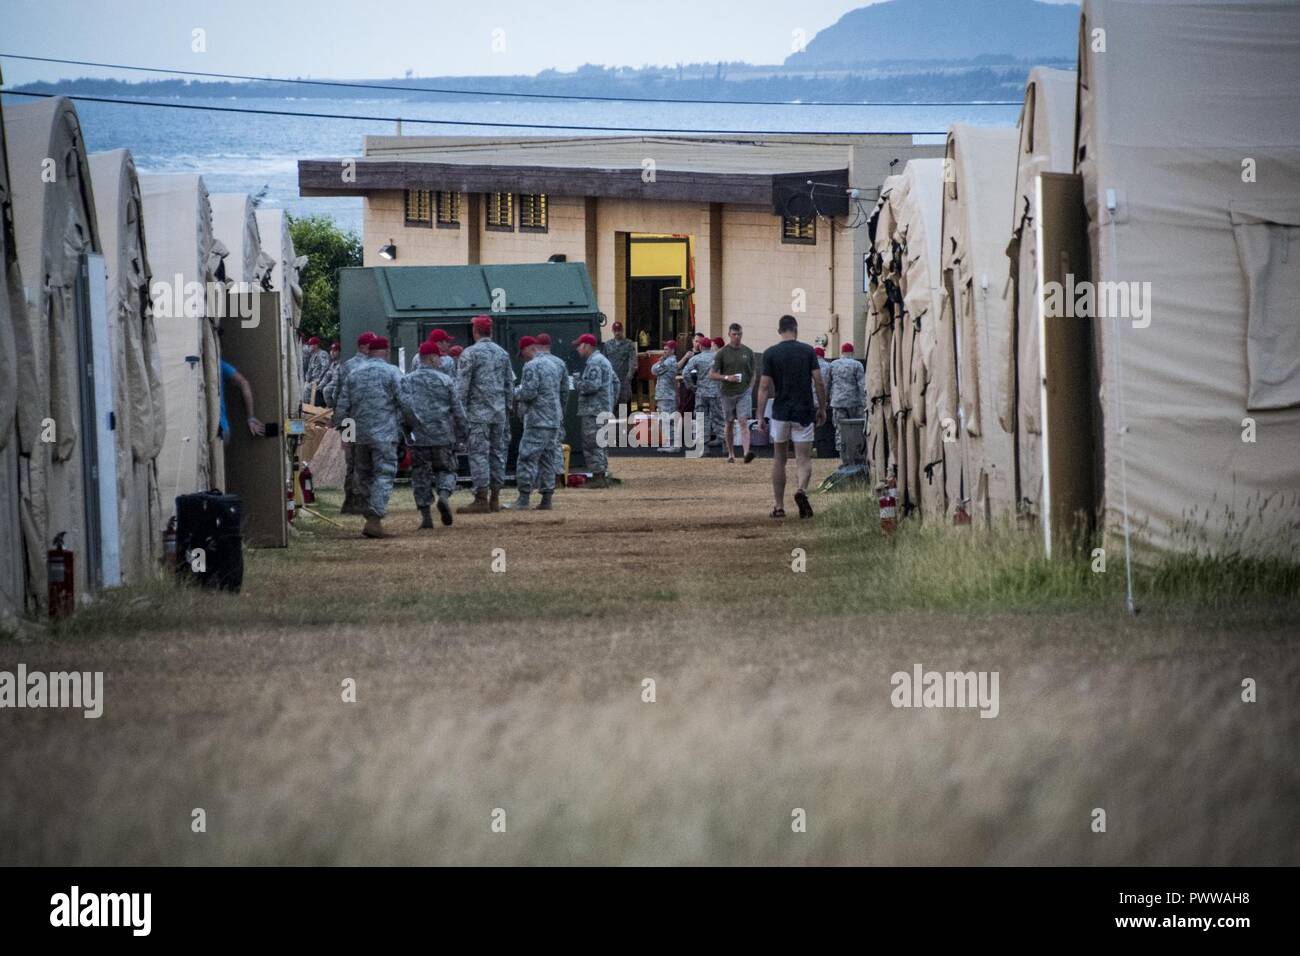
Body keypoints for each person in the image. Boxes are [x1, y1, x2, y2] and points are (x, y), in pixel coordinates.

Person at [754, 315, 827, 519]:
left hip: (780, 412)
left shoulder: (770, 354)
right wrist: (822, 407)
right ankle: (801, 490)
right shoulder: (808, 351)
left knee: (779, 458)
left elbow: (764, 387)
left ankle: (778, 507)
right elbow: (819, 381)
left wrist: (760, 415)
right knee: (803, 458)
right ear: (796, 330)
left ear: (780, 330)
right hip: (803, 411)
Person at [335, 335, 404, 538]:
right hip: (384, 434)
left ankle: (366, 513)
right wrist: (410, 424)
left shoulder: (352, 372)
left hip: (359, 435)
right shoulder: (393, 372)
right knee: (384, 473)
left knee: (362, 475)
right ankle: (374, 518)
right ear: (385, 350)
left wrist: (346, 435)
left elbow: (342, 407)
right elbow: (405, 401)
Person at [400, 340, 467, 529]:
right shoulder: (446, 381)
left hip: (418, 437)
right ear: (431, 358)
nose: (441, 360)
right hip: (443, 436)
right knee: (446, 470)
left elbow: (403, 408)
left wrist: (407, 430)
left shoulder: (406, 380)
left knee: (420, 475)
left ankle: (426, 517)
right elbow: (458, 410)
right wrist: (464, 432)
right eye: (438, 357)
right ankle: (444, 495)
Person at [455, 314, 514, 514]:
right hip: (499, 414)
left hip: (477, 415)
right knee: (498, 454)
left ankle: (481, 497)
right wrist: (507, 408)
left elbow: (461, 388)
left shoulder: (470, 353)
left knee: (479, 454)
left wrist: (458, 414)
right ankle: (495, 497)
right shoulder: (502, 354)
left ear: (475, 331)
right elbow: (509, 385)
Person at [505, 336, 564, 511]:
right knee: (547, 460)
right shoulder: (553, 365)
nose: (522, 358)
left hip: (537, 420)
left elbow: (530, 393)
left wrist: (514, 392)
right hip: (553, 421)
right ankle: (546, 499)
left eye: (522, 354)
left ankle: (523, 499)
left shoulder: (531, 366)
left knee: (527, 458)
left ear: (527, 349)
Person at [334, 332, 375, 514]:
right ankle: (360, 500)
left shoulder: (346, 366)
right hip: (366, 421)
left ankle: (349, 500)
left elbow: (337, 394)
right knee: (364, 461)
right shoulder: (371, 366)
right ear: (364, 347)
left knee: (351, 461)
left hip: (349, 421)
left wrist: (340, 423)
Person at [573, 332, 618, 487]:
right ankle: (601, 474)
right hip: (602, 408)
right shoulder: (603, 360)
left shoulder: (594, 362)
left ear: (586, 346)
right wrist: (609, 402)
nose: (578, 349)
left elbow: (592, 385)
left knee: (592, 443)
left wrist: (577, 382)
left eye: (579, 345)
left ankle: (598, 477)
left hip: (593, 410)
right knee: (601, 442)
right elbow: (616, 382)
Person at [710, 323, 756, 463]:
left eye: (740, 334)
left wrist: (750, 389)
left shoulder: (748, 352)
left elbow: (753, 372)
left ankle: (746, 452)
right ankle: (731, 453)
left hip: (743, 392)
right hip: (727, 392)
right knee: (729, 422)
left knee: (743, 421)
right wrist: (726, 377)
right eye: (735, 334)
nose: (737, 337)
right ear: (729, 335)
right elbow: (711, 374)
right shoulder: (722, 353)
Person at [534, 332, 570, 486]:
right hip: (555, 412)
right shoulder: (560, 363)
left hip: (538, 414)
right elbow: (565, 391)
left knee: (537, 447)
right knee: (555, 446)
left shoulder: (534, 363)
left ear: (537, 346)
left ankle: (541, 480)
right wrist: (561, 408)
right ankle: (557, 479)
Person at [683, 335, 721, 449]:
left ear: (700, 346)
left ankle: (704, 447)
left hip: (701, 392)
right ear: (710, 346)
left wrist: (691, 386)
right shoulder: (718, 357)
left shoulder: (696, 358)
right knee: (719, 418)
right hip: (716, 392)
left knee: (702, 418)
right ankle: (725, 445)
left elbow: (685, 373)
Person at [218, 360, 266, 440]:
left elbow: (244, 383)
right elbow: (244, 383)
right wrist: (250, 417)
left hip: (214, 431)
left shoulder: (217, 364)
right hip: (223, 430)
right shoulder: (217, 363)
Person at [828, 342, 867, 434]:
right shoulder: (857, 365)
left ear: (841, 352)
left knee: (840, 429)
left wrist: (828, 398)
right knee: (856, 427)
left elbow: (829, 383)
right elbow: (862, 385)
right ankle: (855, 447)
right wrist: (864, 402)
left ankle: (841, 447)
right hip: (854, 402)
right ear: (852, 352)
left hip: (837, 402)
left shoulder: (833, 364)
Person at [650, 339, 679, 453]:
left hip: (666, 395)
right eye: (664, 349)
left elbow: (654, 371)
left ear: (672, 350)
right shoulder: (668, 361)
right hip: (666, 394)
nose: (664, 351)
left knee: (667, 420)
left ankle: (672, 444)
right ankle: (673, 443)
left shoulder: (669, 362)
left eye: (667, 349)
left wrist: (659, 362)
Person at [602, 320, 638, 410]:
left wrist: (630, 375)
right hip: (611, 379)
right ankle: (612, 423)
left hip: (624, 379)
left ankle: (622, 423)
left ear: (622, 331)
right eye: (615, 331)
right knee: (611, 403)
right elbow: (603, 361)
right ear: (613, 331)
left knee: (623, 404)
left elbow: (632, 360)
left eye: (619, 330)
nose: (617, 333)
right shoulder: (608, 345)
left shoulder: (629, 344)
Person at [302, 336, 331, 404]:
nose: (310, 347)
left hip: (320, 380)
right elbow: (309, 369)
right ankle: (306, 408)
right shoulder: (313, 355)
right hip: (313, 379)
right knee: (304, 386)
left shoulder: (322, 354)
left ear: (316, 345)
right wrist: (307, 380)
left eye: (311, 345)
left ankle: (308, 408)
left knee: (307, 389)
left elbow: (325, 368)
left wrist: (319, 380)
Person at [318, 341, 342, 407]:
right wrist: (320, 385)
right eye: (331, 350)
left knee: (333, 393)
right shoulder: (333, 364)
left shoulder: (342, 363)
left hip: (340, 385)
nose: (332, 353)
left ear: (339, 352)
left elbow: (337, 380)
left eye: (334, 351)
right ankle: (332, 409)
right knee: (324, 390)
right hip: (333, 385)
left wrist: (328, 385)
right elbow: (327, 376)